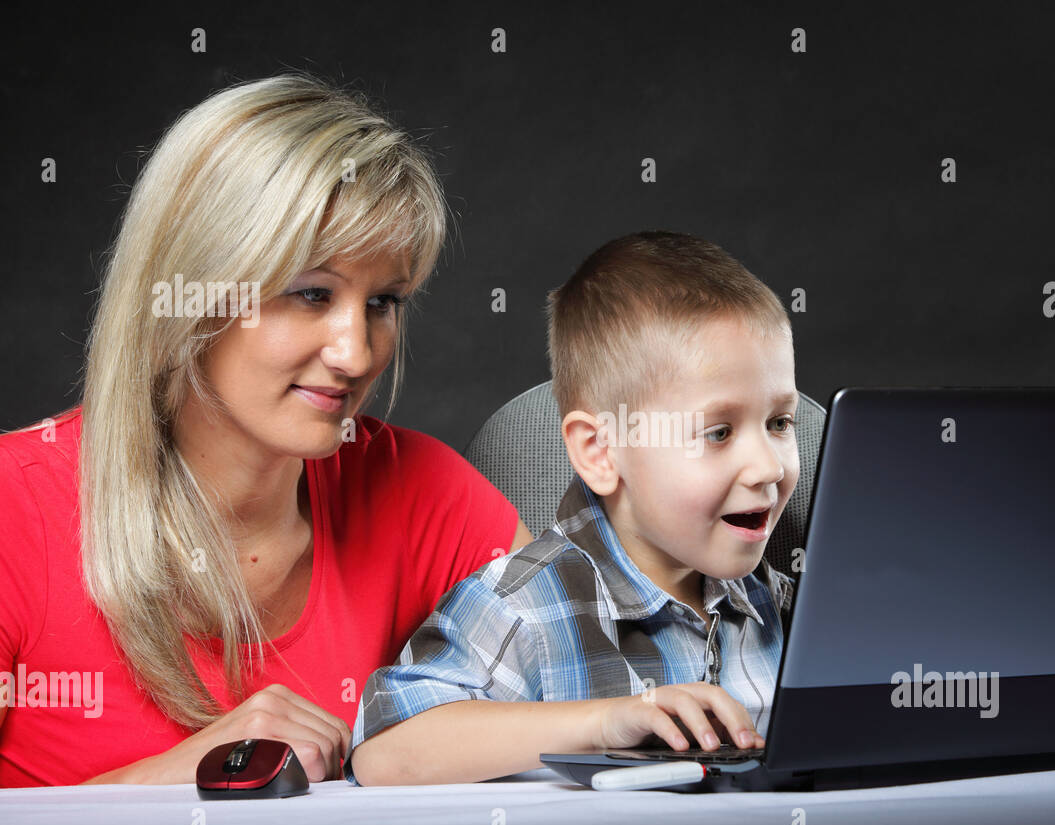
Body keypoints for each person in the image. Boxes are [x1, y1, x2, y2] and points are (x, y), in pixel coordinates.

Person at [0, 74, 532, 787]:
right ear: (190, 291)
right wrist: (173, 783)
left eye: (383, 301)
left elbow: (595, 682)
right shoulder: (15, 507)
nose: (357, 352)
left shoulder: (421, 491)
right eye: (311, 293)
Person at [348, 231, 799, 785]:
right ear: (601, 451)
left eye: (780, 423)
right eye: (719, 431)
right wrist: (603, 721)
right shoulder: (526, 605)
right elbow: (385, 748)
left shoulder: (771, 600)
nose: (768, 467)